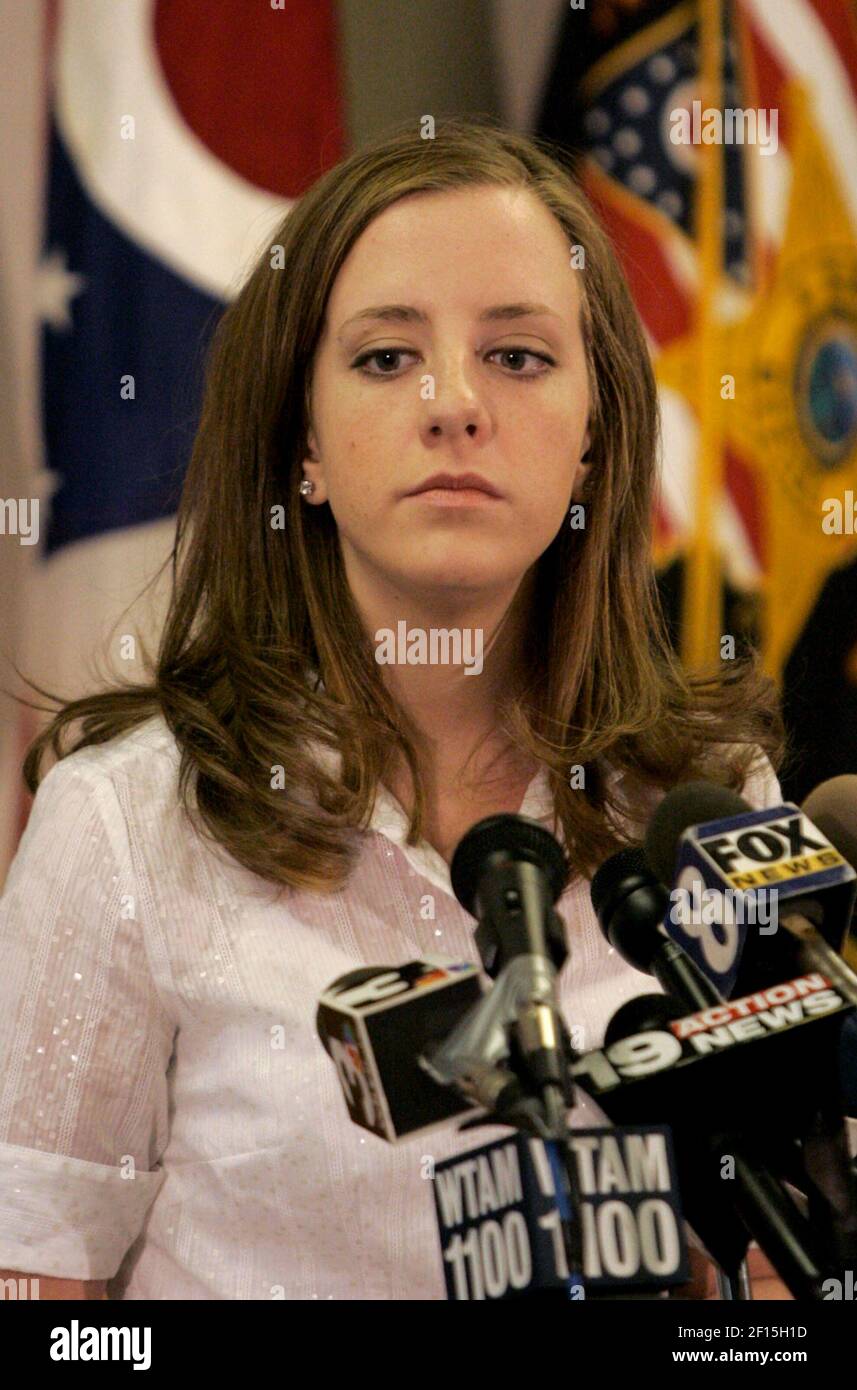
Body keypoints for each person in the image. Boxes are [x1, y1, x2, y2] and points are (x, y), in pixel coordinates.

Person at [0, 117, 791, 1300]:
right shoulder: (125, 825)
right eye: (384, 358)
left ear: (593, 439)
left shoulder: (710, 803)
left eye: (517, 356)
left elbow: (772, 1275)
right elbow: (36, 1285)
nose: (453, 405)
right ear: (302, 444)